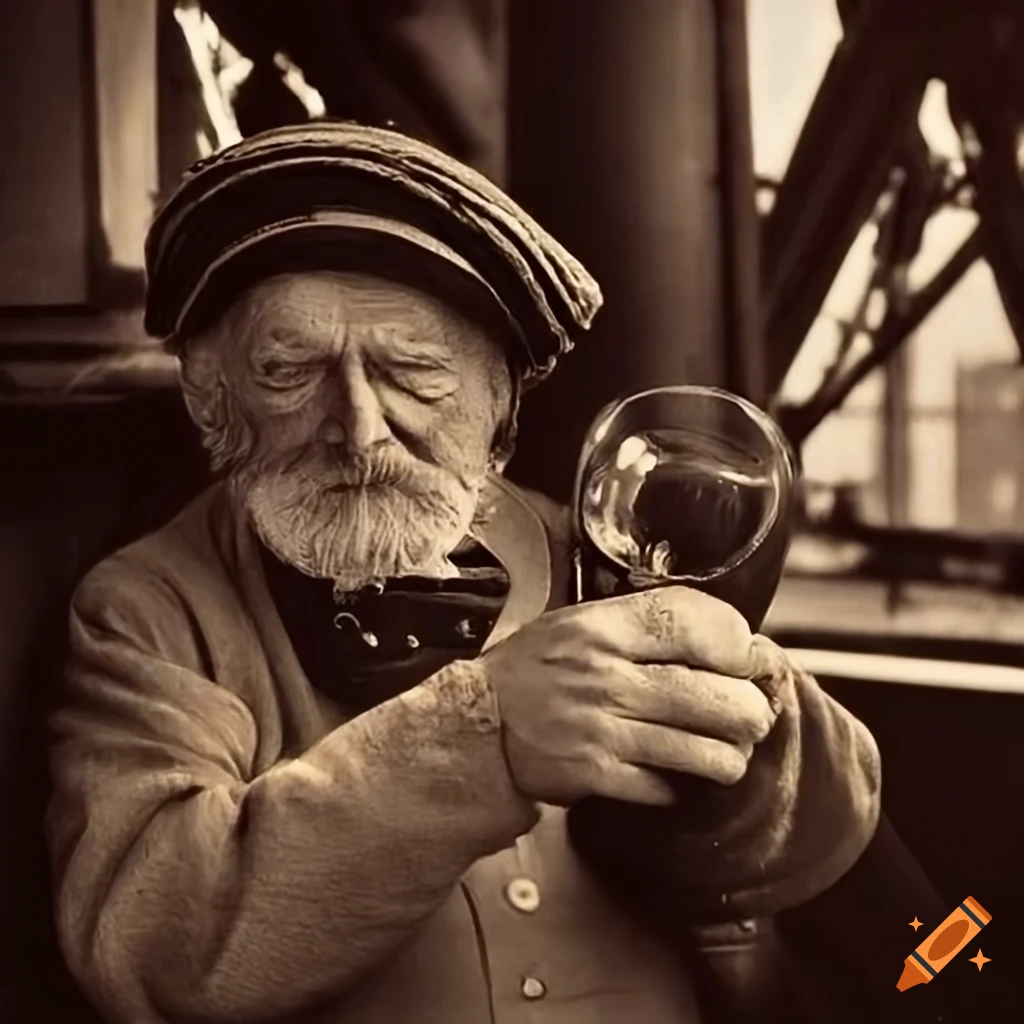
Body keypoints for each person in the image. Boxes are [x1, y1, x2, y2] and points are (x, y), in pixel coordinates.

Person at [45, 122, 880, 1024]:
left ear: (501, 402)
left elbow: (834, 811)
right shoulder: (152, 610)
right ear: (211, 396)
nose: (360, 429)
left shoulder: (602, 546)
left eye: (415, 372)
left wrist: (750, 717)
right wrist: (486, 731)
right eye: (289, 370)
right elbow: (151, 947)